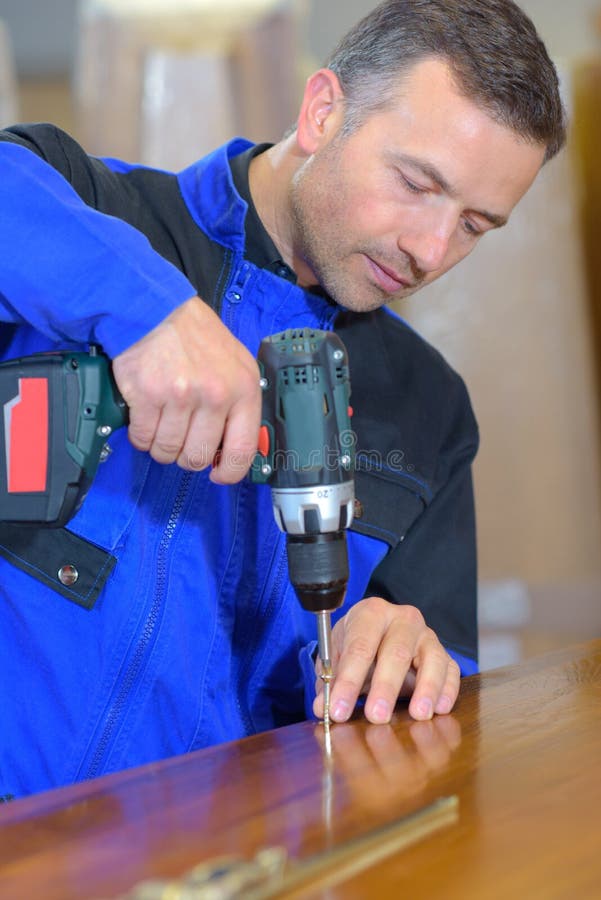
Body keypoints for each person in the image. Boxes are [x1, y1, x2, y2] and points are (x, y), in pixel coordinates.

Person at [0, 0, 565, 800]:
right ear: (323, 111)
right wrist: (142, 309)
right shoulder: (94, 209)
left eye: (475, 223)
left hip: (204, 867)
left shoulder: (429, 409)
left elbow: (432, 708)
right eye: (414, 183)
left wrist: (404, 660)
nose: (431, 250)